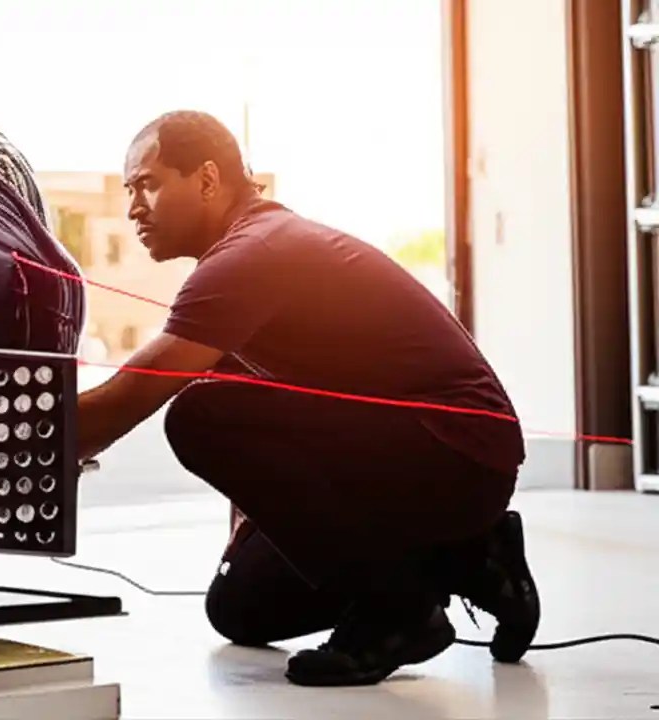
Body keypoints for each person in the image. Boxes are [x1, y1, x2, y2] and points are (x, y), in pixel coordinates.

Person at [75, 110, 540, 687]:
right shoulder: (249, 251)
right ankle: (475, 556)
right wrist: (258, 523)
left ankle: (401, 613)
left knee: (198, 417)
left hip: (457, 455)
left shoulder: (254, 252)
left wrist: (6, 433)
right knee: (240, 607)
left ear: (207, 179)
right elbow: (256, 415)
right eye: (129, 191)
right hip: (403, 457)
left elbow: (124, 404)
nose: (133, 208)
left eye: (147, 184)